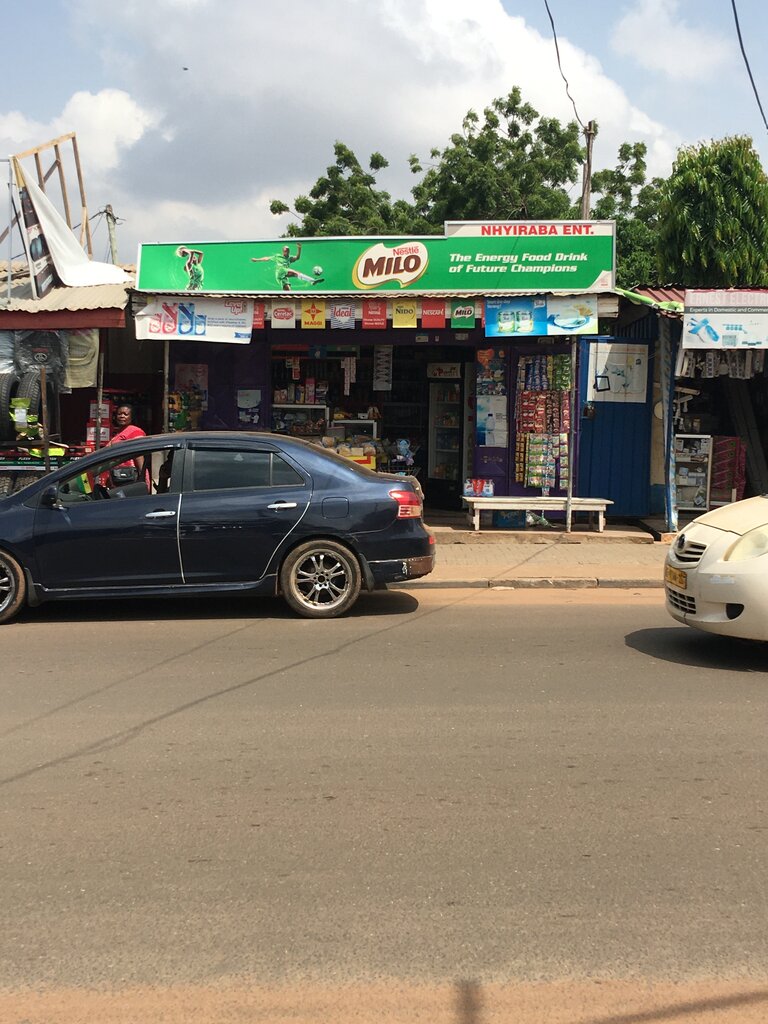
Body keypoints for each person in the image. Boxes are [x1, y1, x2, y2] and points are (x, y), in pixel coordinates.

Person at [250, 243, 323, 291]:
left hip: (283, 277)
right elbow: (267, 258)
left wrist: (299, 248)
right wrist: (256, 259)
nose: (286, 252)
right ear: (283, 251)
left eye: (287, 251)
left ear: (289, 251)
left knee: (288, 291)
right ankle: (312, 281)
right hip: (280, 271)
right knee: (295, 273)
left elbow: (297, 258)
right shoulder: (278, 256)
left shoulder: (289, 258)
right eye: (285, 251)